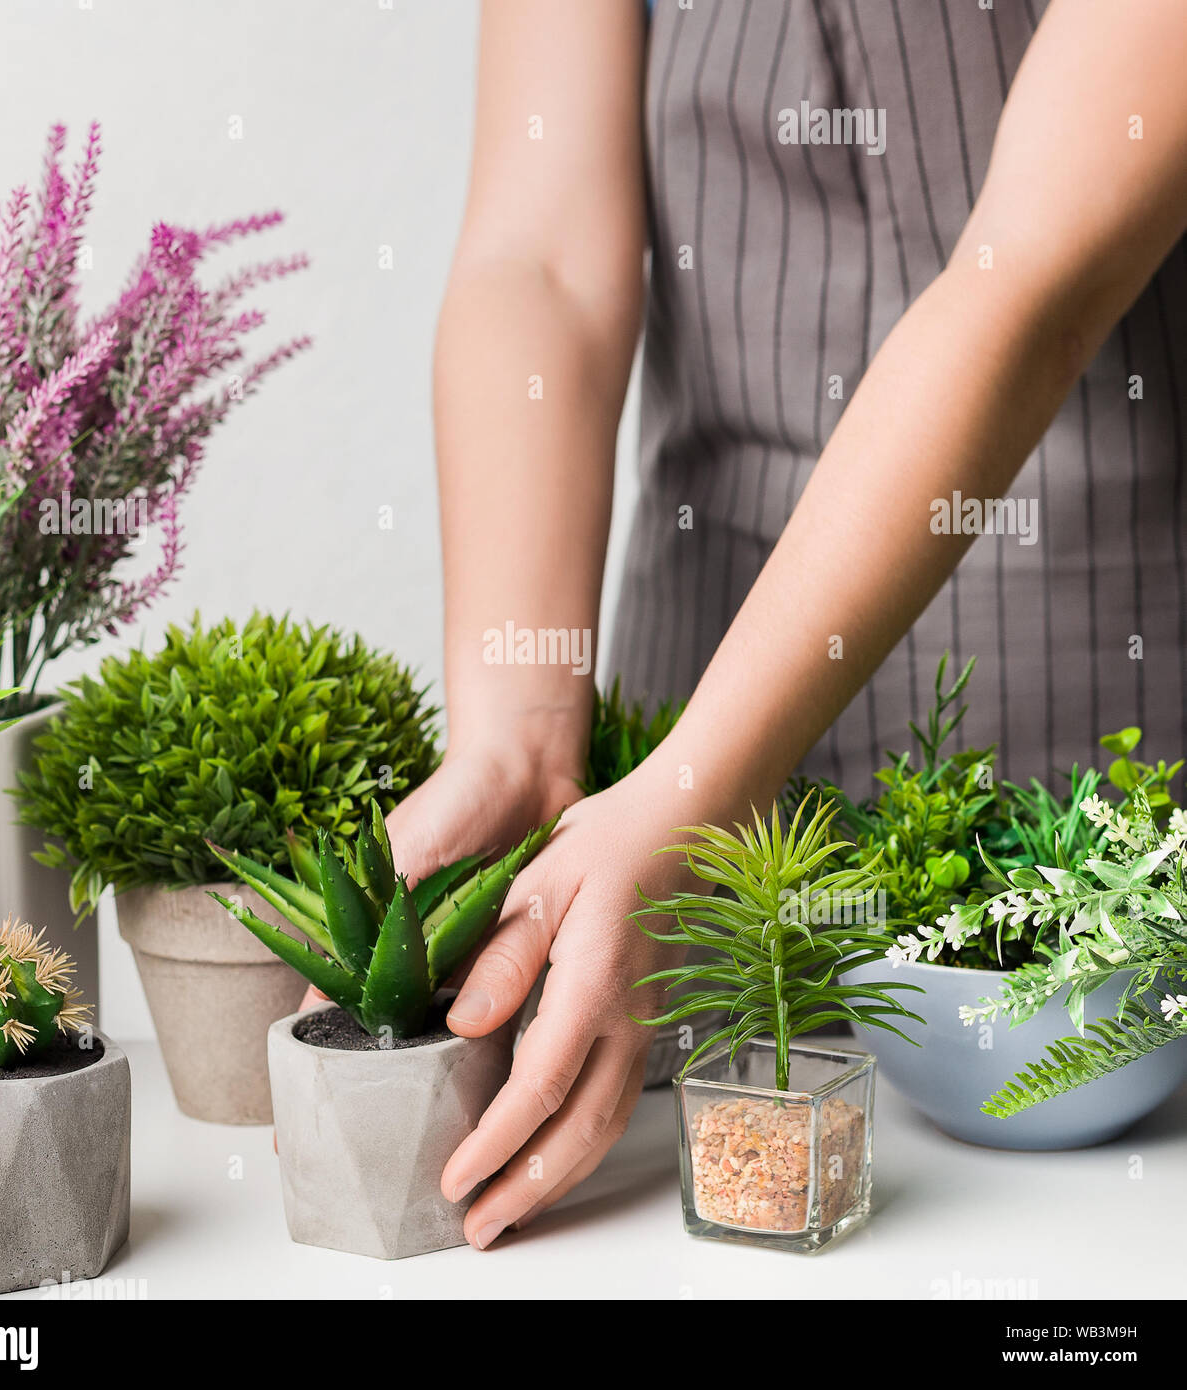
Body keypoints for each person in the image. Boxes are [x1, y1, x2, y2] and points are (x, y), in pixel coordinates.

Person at [314, 0, 1187, 1250]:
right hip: (682, 763)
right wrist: (518, 731)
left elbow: (1031, 283)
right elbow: (541, 258)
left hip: (1073, 742)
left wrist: (692, 789)